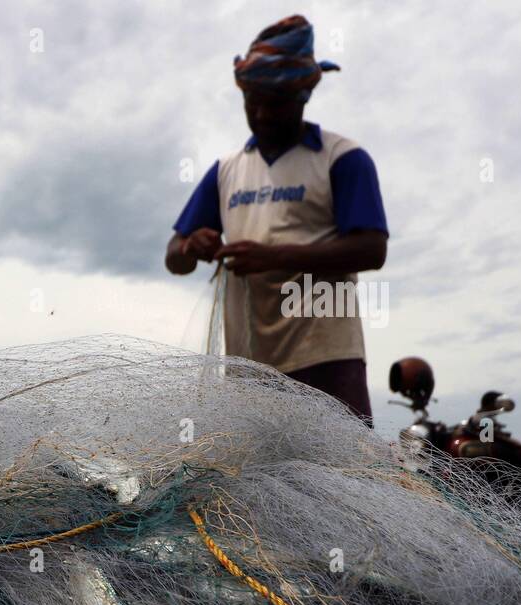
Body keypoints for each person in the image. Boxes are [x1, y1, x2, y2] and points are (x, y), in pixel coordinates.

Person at [165, 15, 388, 423]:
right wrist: (192, 245)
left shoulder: (341, 158)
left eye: (278, 102)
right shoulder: (226, 170)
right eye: (254, 102)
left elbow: (372, 249)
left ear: (304, 96)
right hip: (250, 367)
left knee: (342, 479)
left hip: (326, 358)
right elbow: (174, 257)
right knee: (255, 483)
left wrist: (275, 256)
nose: (264, 114)